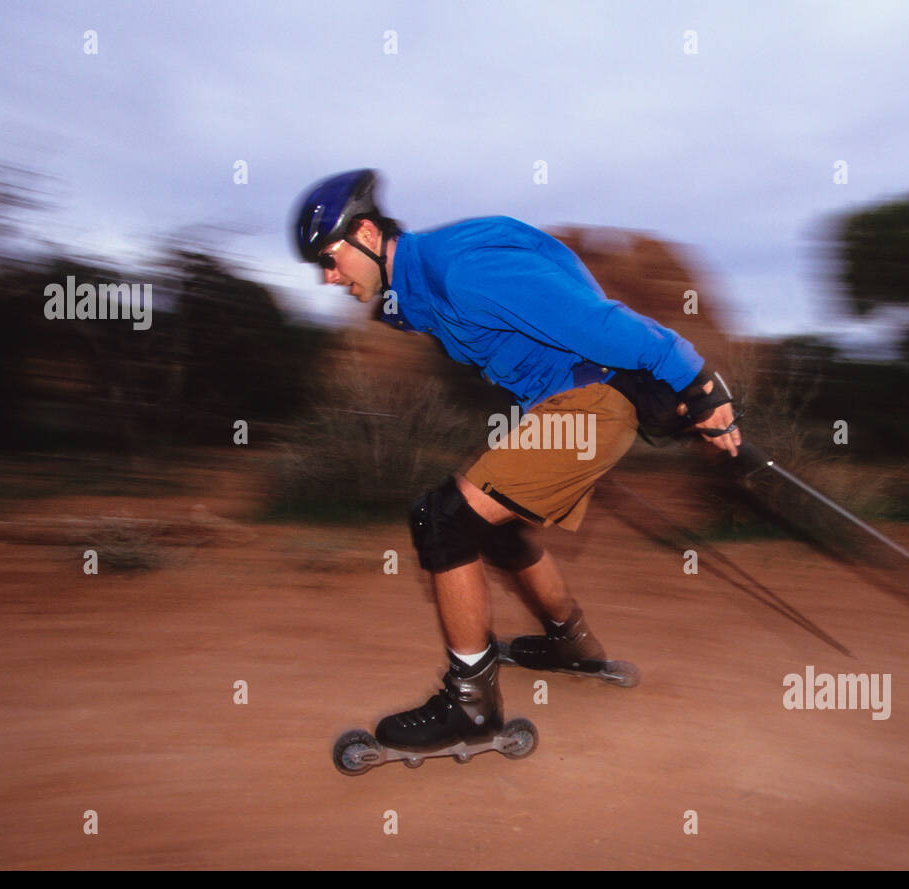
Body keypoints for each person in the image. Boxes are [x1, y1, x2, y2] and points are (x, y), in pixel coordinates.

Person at [292, 169, 740, 755]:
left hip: (589, 405)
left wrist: (695, 383)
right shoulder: (422, 283)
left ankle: (472, 706)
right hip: (567, 402)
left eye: (329, 259)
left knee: (443, 519)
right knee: (495, 529)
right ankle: (568, 644)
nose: (328, 277)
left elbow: (593, 320)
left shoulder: (462, 268)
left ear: (369, 235)